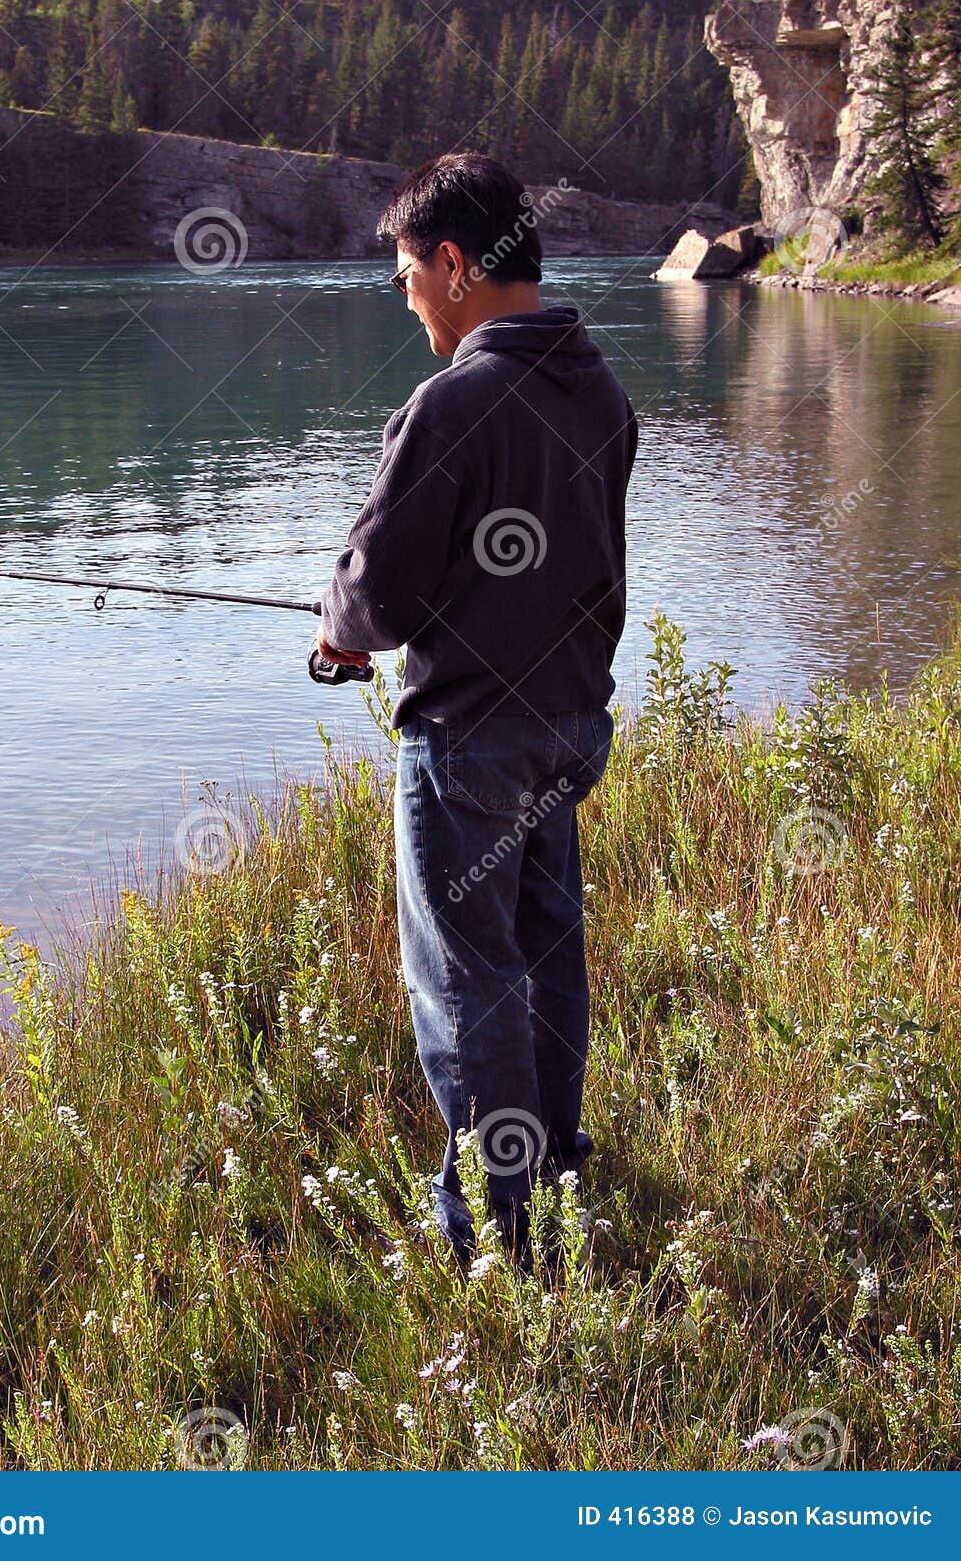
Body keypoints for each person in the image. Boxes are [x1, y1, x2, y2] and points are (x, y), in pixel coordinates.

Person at [317, 151, 638, 1272]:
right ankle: (555, 1174)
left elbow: (377, 594)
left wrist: (336, 632)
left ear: (453, 265)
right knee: (547, 957)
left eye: (408, 275)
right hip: (569, 728)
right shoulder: (598, 385)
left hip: (469, 745)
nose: (408, 298)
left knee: (466, 985)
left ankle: (500, 1238)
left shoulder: (452, 400)